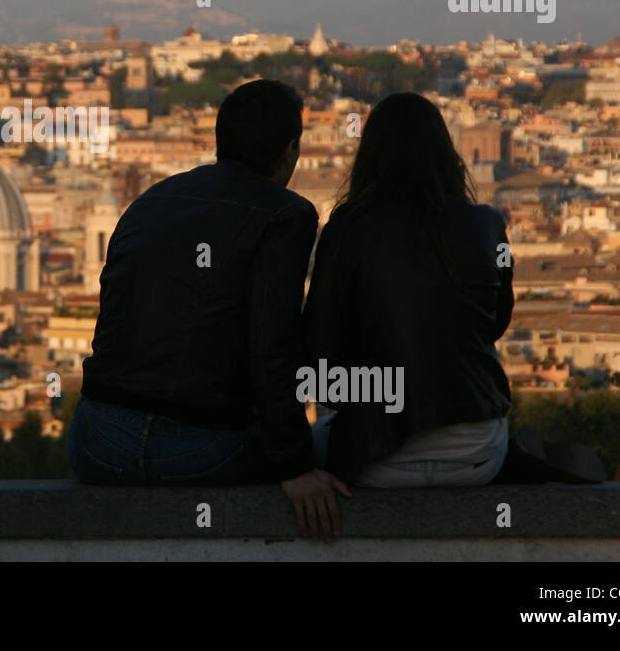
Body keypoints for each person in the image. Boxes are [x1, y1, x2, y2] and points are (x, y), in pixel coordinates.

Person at [68, 79, 351, 539]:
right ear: (291, 151)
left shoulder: (149, 203)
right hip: (201, 450)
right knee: (343, 447)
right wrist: (295, 466)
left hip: (96, 443)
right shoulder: (286, 215)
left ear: (220, 141)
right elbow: (271, 341)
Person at [303, 92, 514, 487]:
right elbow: (495, 323)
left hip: (376, 457)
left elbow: (319, 350)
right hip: (477, 451)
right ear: (445, 152)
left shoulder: (347, 229)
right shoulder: (487, 225)